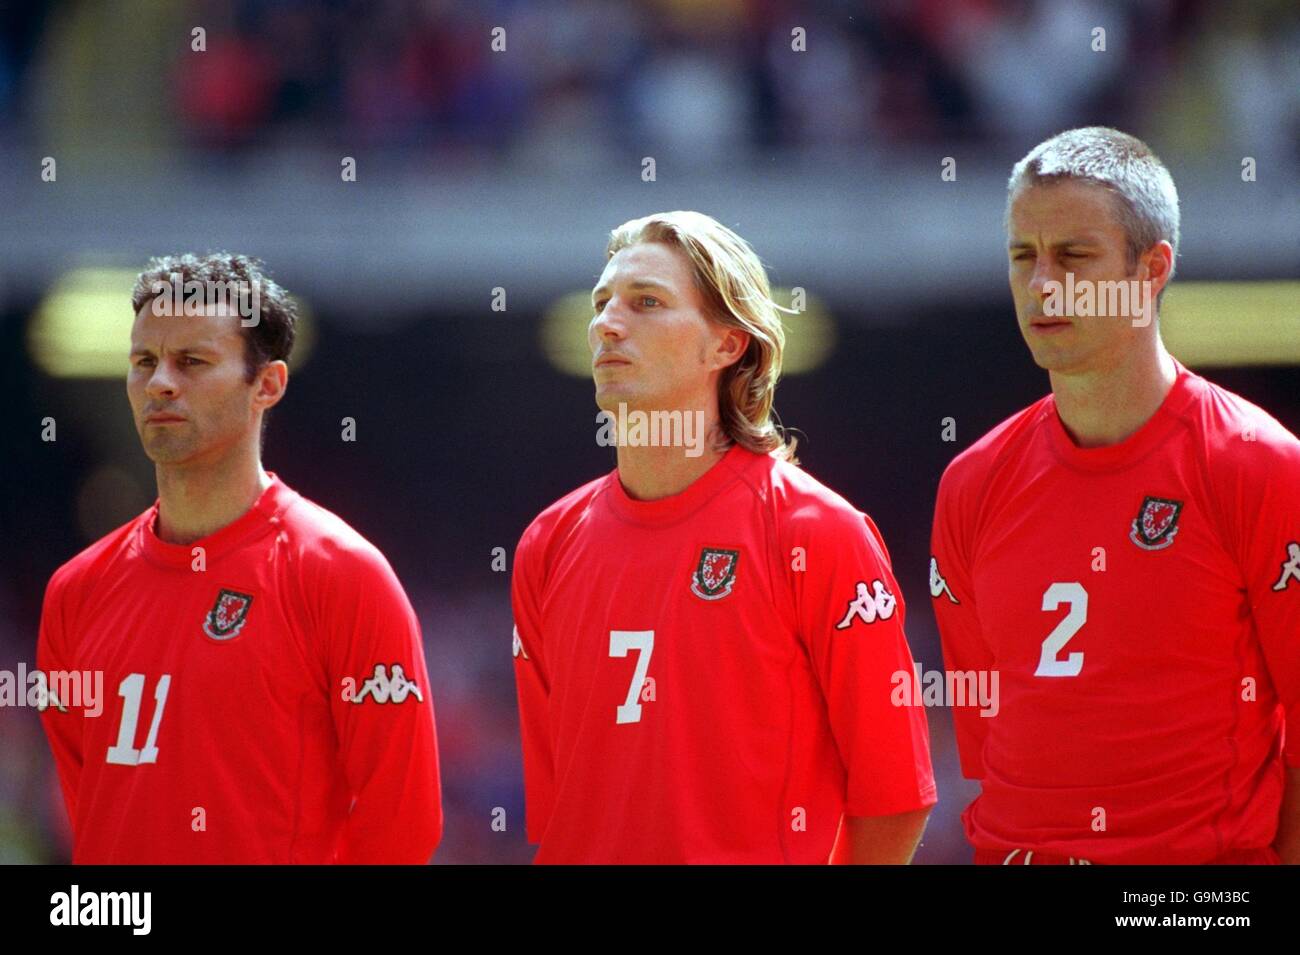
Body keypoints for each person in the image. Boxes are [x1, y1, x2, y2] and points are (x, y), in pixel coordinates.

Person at [511, 211, 936, 863]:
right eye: (602, 303)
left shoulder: (817, 532)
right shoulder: (546, 543)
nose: (606, 324)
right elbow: (562, 810)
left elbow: (895, 797)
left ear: (727, 344)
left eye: (646, 302)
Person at [930, 127, 1300, 864]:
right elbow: (989, 748)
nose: (1041, 284)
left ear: (1151, 269)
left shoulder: (1258, 466)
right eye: (1022, 257)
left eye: (1073, 256)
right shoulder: (971, 484)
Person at [36, 253, 442, 863]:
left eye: (191, 361)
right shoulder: (75, 591)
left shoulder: (340, 574)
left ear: (268, 384)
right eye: (144, 361)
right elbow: (90, 808)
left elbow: (402, 828)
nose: (160, 383)